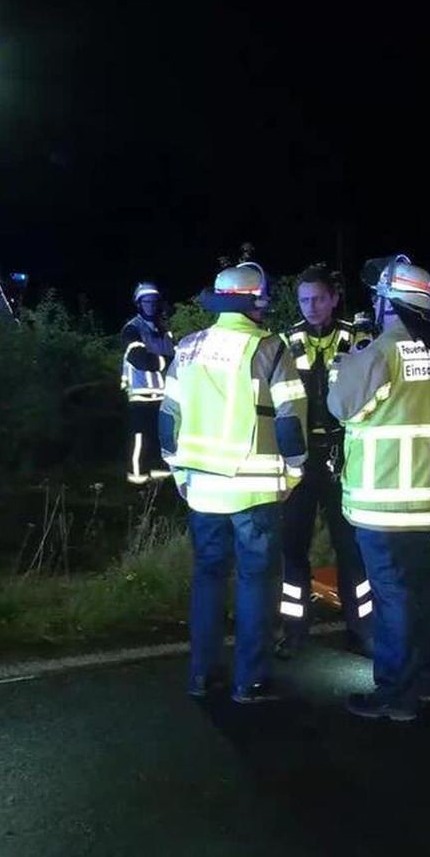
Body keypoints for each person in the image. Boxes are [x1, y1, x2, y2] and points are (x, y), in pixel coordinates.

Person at [160, 261, 307, 704]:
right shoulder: (270, 349)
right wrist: (294, 474)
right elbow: (290, 421)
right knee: (255, 583)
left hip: (202, 489)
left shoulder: (187, 347)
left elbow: (167, 420)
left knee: (208, 578)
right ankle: (250, 681)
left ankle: (201, 676)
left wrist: (180, 473)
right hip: (255, 490)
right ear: (253, 302)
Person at [329, 255, 430, 722]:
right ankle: (425, 683)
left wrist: (346, 365)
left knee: (393, 599)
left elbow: (342, 406)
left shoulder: (383, 352)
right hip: (424, 500)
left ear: (390, 301)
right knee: (422, 592)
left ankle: (394, 694)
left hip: (381, 501)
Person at [275, 263, 374, 657]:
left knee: (351, 549)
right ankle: (294, 632)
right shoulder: (284, 341)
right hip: (299, 460)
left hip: (342, 455)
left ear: (334, 298)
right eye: (303, 300)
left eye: (317, 298)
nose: (310, 306)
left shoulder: (360, 339)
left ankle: (362, 629)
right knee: (292, 549)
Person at [121, 281, 176, 486]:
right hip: (140, 393)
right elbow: (139, 359)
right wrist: (167, 362)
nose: (151, 305)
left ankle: (159, 472)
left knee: (160, 434)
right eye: (146, 301)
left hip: (163, 393)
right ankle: (137, 476)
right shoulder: (132, 329)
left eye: (154, 301)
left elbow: (175, 355)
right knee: (139, 437)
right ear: (139, 304)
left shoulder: (164, 331)